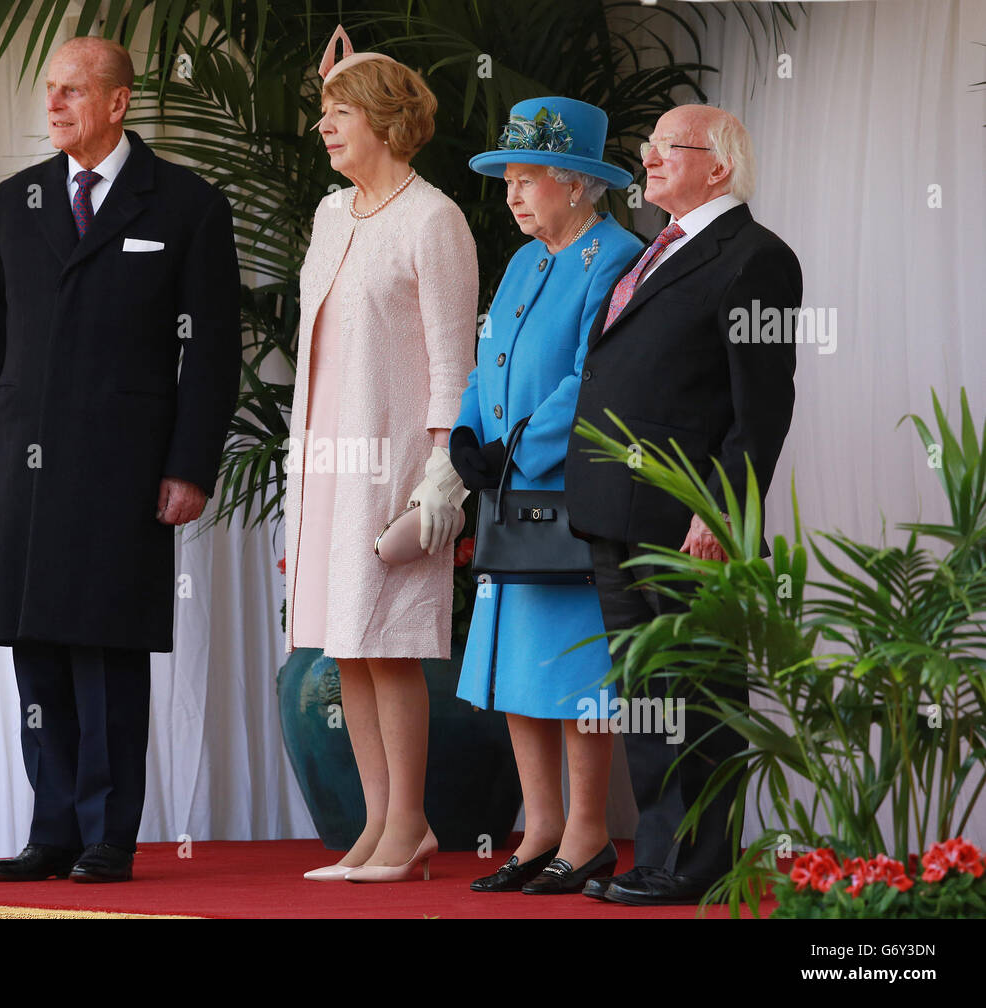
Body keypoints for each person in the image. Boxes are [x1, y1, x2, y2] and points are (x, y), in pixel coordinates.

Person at [0, 36, 241, 883]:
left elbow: (216, 352)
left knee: (106, 652)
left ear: (118, 103)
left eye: (72, 92)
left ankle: (107, 836)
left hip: (124, 469)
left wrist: (190, 465)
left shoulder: (186, 206)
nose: (53, 106)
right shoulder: (13, 202)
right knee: (35, 649)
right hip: (22, 468)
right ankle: (49, 829)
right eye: (49, 91)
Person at [565, 103, 801, 905]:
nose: (651, 158)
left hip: (686, 522)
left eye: (670, 147)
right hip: (615, 507)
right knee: (648, 695)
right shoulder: (660, 250)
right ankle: (661, 861)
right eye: (650, 147)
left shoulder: (758, 259)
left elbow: (762, 405)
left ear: (720, 166)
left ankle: (692, 868)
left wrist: (720, 509)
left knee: (695, 695)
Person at [285, 27, 476, 883]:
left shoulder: (434, 219)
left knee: (390, 640)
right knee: (345, 642)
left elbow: (452, 359)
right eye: (323, 112)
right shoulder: (331, 213)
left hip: (397, 463)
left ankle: (410, 826)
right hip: (328, 459)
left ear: (389, 122)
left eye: (340, 112)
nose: (325, 126)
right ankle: (375, 828)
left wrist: (442, 474)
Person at [451, 98, 643, 894]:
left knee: (578, 673)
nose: (513, 197)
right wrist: (465, 435)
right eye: (509, 183)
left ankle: (591, 833)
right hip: (505, 491)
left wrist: (519, 446)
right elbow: (488, 353)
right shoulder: (523, 260)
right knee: (518, 670)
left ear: (575, 185)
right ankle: (541, 831)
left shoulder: (619, 255)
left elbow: (594, 376)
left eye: (527, 181)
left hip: (570, 492)